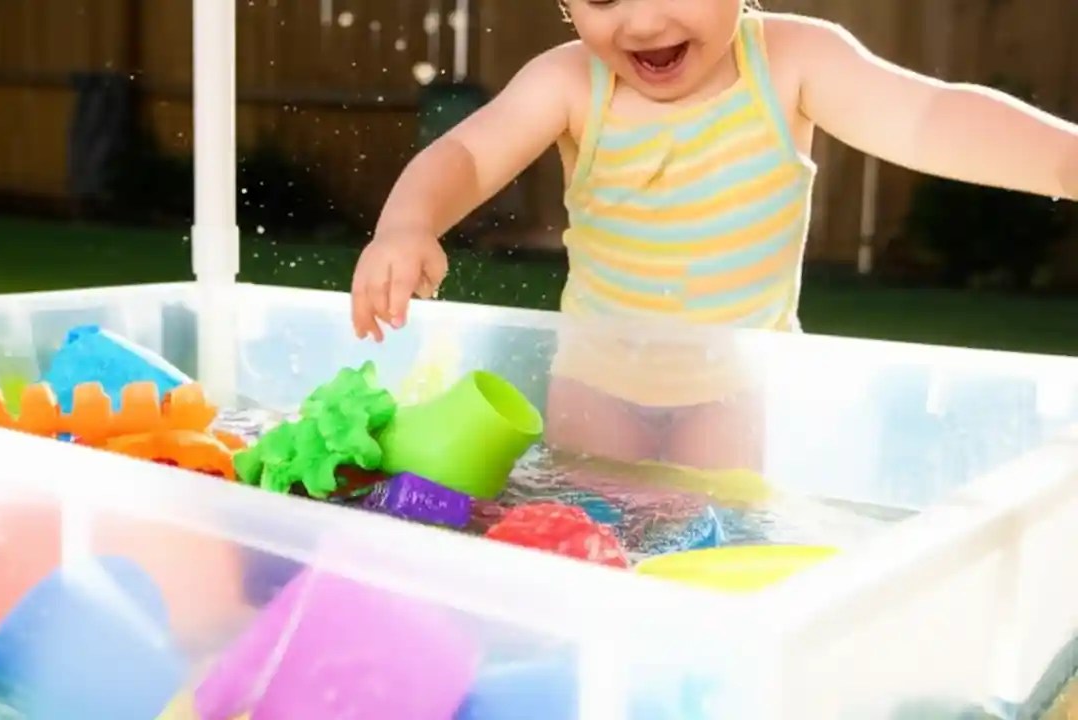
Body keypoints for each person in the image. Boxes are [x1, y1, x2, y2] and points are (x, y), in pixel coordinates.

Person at [349, 0, 1078, 471]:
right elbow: (467, 154)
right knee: (590, 539)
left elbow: (932, 117)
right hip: (598, 380)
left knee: (722, 541)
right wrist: (408, 223)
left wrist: (1063, 160)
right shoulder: (569, 81)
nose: (638, 24)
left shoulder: (792, 62)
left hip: (742, 386)